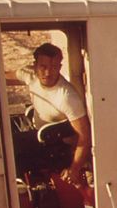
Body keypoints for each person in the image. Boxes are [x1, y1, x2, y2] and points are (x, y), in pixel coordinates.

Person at [12, 43, 91, 187]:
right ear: (35, 66)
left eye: (54, 67)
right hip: (36, 130)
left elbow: (85, 137)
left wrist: (74, 168)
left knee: (9, 144)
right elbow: (9, 76)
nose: (48, 73)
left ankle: (21, 187)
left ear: (60, 67)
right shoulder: (31, 76)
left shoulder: (67, 97)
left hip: (56, 146)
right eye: (43, 67)